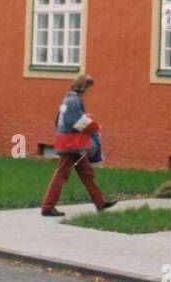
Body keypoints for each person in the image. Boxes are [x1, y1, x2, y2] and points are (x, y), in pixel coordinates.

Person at [41, 74, 117, 217]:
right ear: (84, 87)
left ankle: (100, 202)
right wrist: (95, 126)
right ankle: (47, 207)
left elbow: (58, 121)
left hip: (69, 142)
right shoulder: (75, 101)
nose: (89, 91)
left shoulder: (67, 100)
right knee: (61, 174)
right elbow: (79, 122)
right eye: (89, 87)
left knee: (87, 173)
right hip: (72, 145)